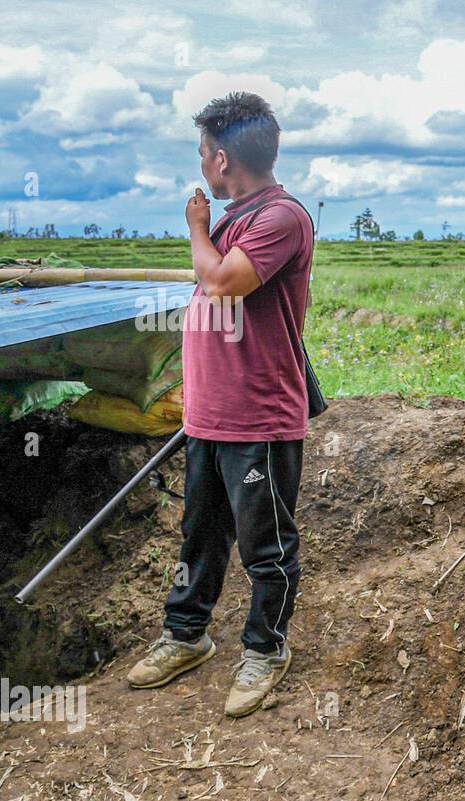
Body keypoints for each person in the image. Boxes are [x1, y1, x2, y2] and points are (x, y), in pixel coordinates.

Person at [126, 92, 314, 718]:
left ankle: (266, 649)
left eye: (204, 153)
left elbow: (221, 284)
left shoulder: (280, 217)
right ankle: (187, 635)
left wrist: (197, 228)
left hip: (258, 418)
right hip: (208, 416)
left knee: (266, 546)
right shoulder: (239, 217)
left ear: (222, 157)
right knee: (200, 536)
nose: (202, 163)